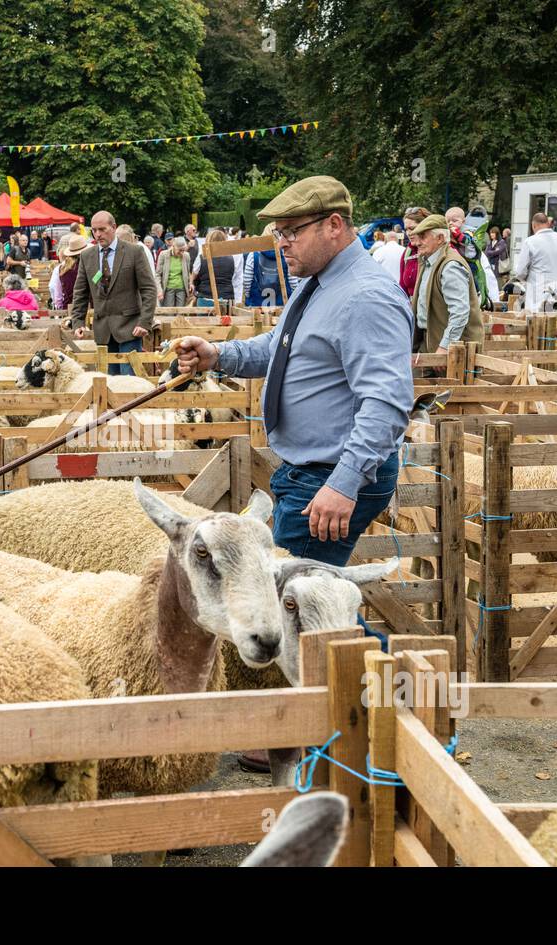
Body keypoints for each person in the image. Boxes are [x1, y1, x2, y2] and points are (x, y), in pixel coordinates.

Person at [173, 175, 412, 654]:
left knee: (294, 609)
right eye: (278, 233)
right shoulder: (319, 285)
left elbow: (386, 402)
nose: (280, 243)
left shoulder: (365, 296)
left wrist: (344, 483)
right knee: (298, 606)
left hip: (330, 478)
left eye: (290, 231)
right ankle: (367, 701)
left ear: (334, 225)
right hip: (308, 473)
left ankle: (393, 697)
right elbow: (278, 348)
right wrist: (216, 355)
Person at [70, 210, 157, 375]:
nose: (98, 234)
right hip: (102, 330)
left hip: (130, 328)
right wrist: (78, 322)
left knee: (128, 383)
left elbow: (149, 289)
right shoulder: (87, 256)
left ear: (114, 227)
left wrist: (145, 322)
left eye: (102, 229)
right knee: (108, 383)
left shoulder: (134, 252)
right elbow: (80, 292)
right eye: (94, 230)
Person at [409, 214, 482, 353]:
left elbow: (460, 311)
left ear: (440, 238)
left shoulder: (450, 266)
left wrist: (445, 346)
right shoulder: (428, 261)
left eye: (423, 237)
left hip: (449, 349)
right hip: (430, 340)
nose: (417, 242)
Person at [513, 212, 557, 311]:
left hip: (538, 294)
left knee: (536, 323)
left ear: (533, 225)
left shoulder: (530, 241)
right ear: (548, 224)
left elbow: (520, 272)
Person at [243, 223, 301, 307]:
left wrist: (249, 296)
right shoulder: (285, 255)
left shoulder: (253, 255)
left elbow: (247, 281)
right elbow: (293, 282)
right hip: (281, 304)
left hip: (257, 305)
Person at [190, 228, 241, 311]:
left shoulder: (201, 257)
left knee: (202, 323)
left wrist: (191, 282)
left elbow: (194, 275)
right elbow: (234, 277)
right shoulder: (232, 258)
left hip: (205, 298)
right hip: (226, 299)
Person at [49, 232, 87, 310]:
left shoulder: (61, 268)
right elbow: (95, 282)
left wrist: (59, 307)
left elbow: (55, 291)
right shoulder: (87, 266)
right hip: (87, 307)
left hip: (67, 308)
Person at [399, 207, 429, 298]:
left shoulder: (436, 251)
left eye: (412, 228)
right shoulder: (408, 252)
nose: (408, 233)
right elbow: (402, 287)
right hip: (413, 310)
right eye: (406, 229)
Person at [156, 236, 191, 307]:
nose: (182, 252)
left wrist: (190, 283)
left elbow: (188, 272)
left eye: (183, 250)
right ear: (173, 246)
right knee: (169, 314)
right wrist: (159, 290)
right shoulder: (164, 255)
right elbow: (157, 274)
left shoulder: (186, 256)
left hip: (181, 289)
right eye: (180, 250)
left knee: (180, 314)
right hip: (168, 289)